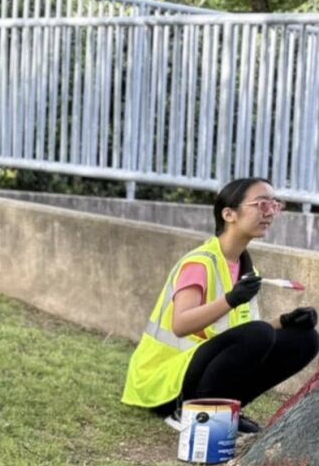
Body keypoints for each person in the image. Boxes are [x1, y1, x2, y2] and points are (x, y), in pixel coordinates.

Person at [123, 176, 318, 434]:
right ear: (229, 214)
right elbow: (181, 325)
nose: (270, 212)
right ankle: (191, 409)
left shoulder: (246, 269)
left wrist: (286, 321)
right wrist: (230, 299)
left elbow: (246, 330)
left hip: (198, 367)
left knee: (305, 339)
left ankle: (226, 408)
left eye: (274, 204)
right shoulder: (200, 263)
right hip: (164, 381)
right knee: (259, 334)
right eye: (261, 204)